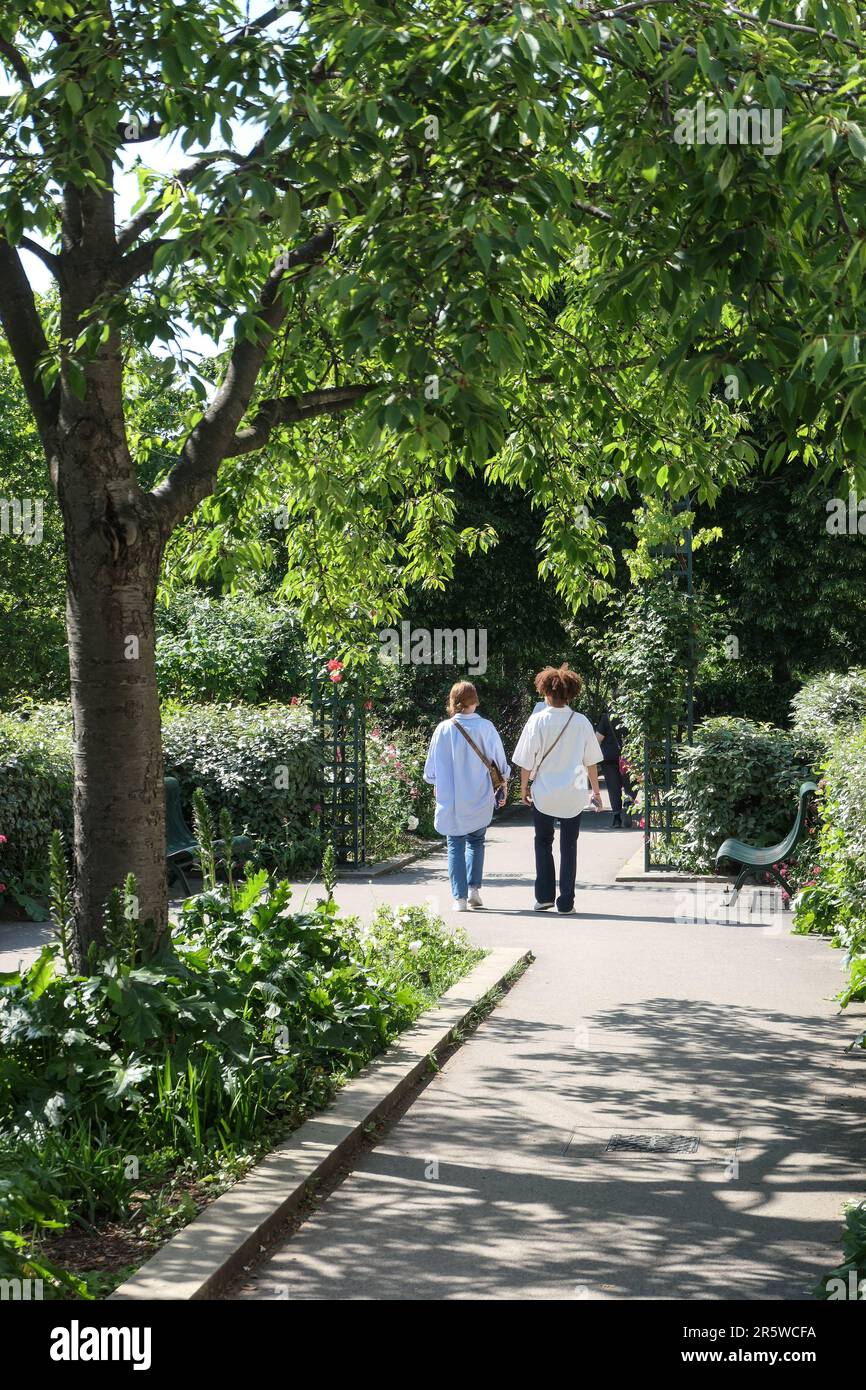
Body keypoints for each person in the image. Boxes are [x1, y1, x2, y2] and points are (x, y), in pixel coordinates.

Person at [512, 664, 603, 914]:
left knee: (543, 842)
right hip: (574, 792)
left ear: (545, 692)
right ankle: (566, 902)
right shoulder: (582, 722)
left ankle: (544, 897)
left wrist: (523, 788)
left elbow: (525, 761)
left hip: (544, 792)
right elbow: (591, 761)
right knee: (569, 846)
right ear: (571, 693)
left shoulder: (536, 721)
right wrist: (595, 793)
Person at [424, 681, 510, 912]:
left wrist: (438, 782)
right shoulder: (486, 727)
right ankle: (474, 890)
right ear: (475, 701)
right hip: (480, 796)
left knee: (455, 845)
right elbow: (501, 765)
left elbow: (430, 771)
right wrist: (503, 783)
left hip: (451, 799)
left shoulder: (443, 729)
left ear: (452, 702)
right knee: (476, 841)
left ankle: (459, 899)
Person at [595, 708, 624, 829]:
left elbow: (598, 739)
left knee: (613, 788)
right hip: (627, 758)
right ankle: (628, 804)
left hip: (609, 758)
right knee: (629, 784)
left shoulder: (606, 718)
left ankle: (617, 817)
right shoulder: (631, 715)